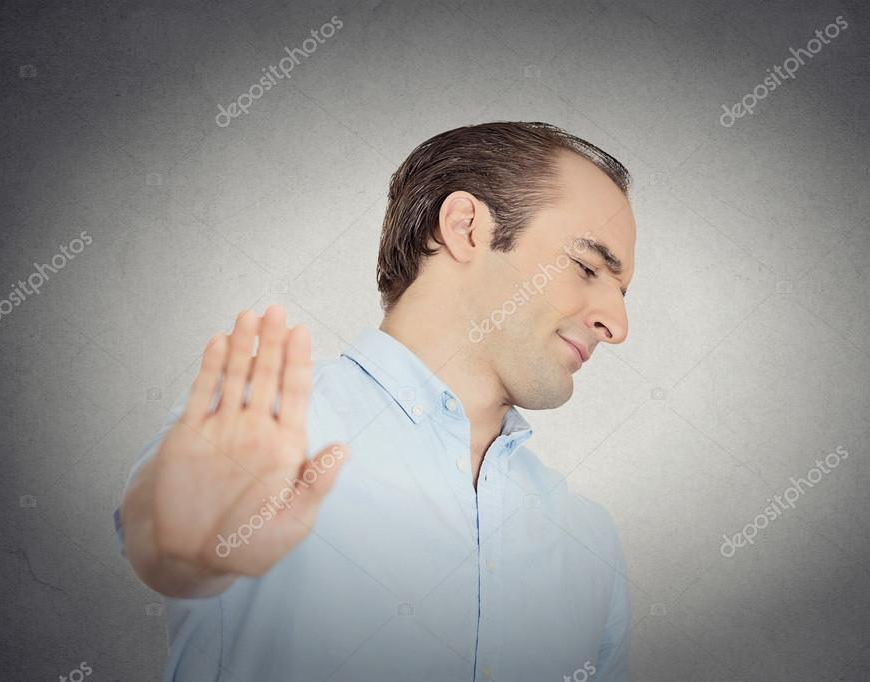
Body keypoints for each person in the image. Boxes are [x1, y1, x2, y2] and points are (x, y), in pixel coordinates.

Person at [116, 121, 637, 681]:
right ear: (465, 228)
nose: (619, 325)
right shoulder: (269, 421)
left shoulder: (589, 545)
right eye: (587, 267)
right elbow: (167, 540)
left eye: (622, 291)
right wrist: (189, 542)